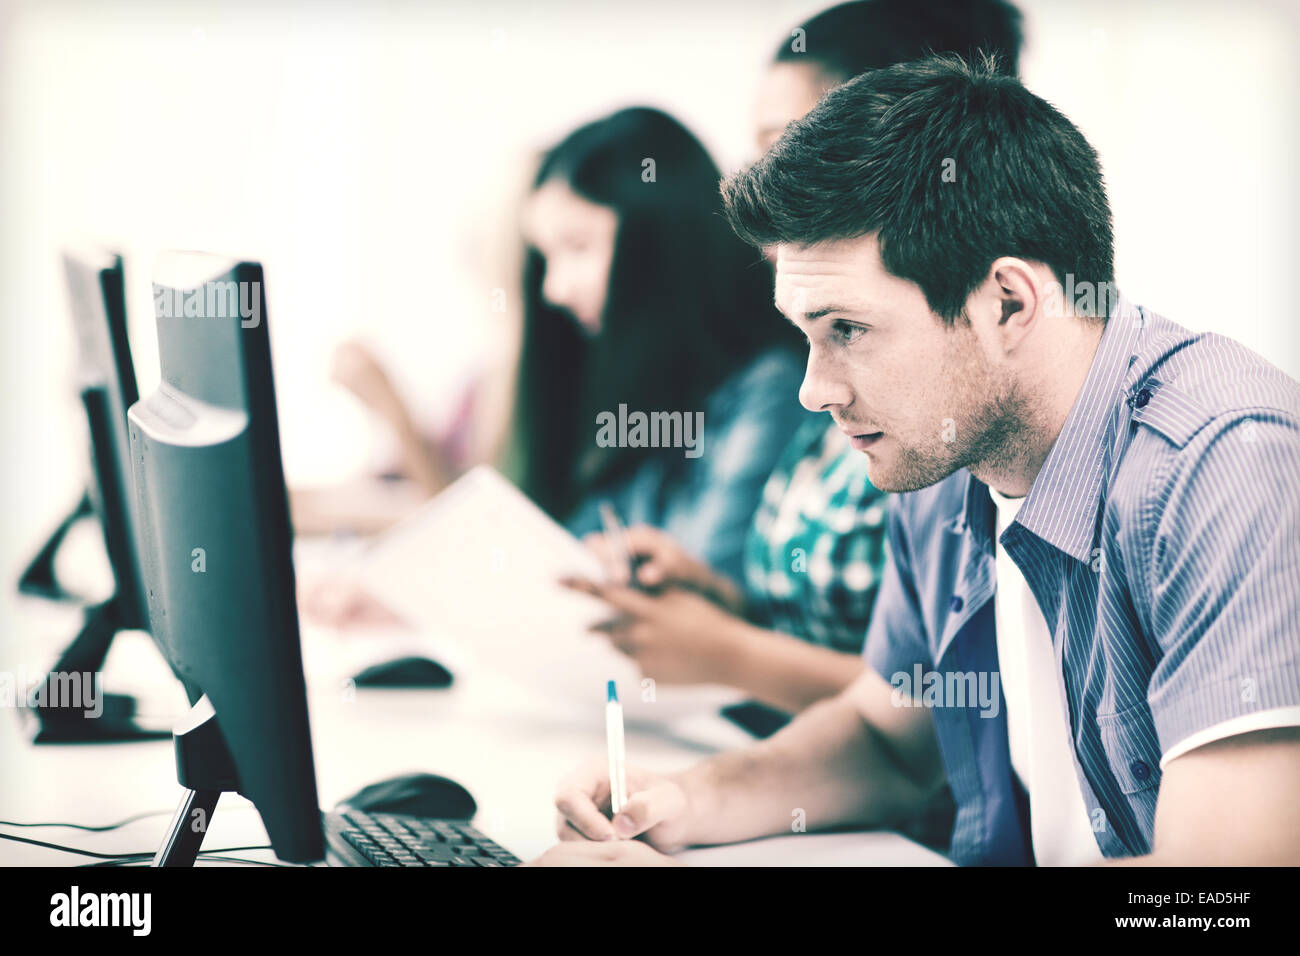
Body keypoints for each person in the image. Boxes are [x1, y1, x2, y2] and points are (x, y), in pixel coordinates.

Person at [534, 55, 1300, 866]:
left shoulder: (1232, 470)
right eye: (805, 336)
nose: (813, 391)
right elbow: (885, 738)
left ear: (1008, 303)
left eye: (848, 331)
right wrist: (684, 800)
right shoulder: (940, 453)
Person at [566, 0, 1025, 716]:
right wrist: (717, 602)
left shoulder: (955, 407)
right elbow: (855, 643)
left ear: (889, 133)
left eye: (780, 144)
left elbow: (960, 710)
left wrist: (728, 653)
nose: (754, 177)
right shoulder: (833, 369)